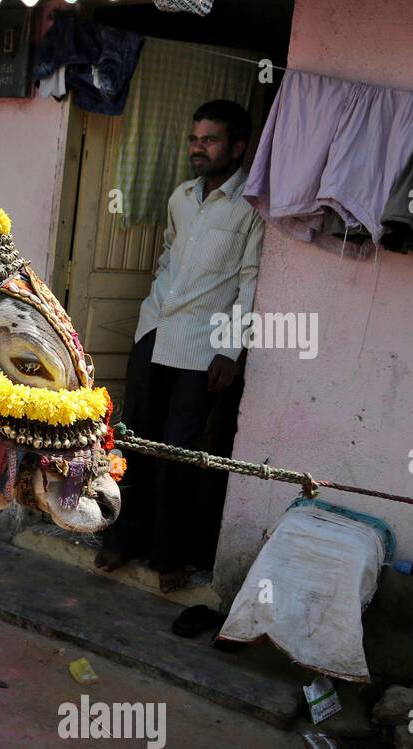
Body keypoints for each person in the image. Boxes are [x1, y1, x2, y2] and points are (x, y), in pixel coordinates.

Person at [97, 99, 263, 593]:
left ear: (237, 146)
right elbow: (169, 253)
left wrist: (231, 352)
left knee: (180, 453)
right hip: (155, 333)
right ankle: (124, 537)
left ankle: (169, 556)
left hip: (201, 350)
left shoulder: (251, 208)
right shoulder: (181, 197)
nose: (198, 148)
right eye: (195, 139)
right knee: (134, 440)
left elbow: (251, 281)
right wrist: (151, 311)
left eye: (209, 140)